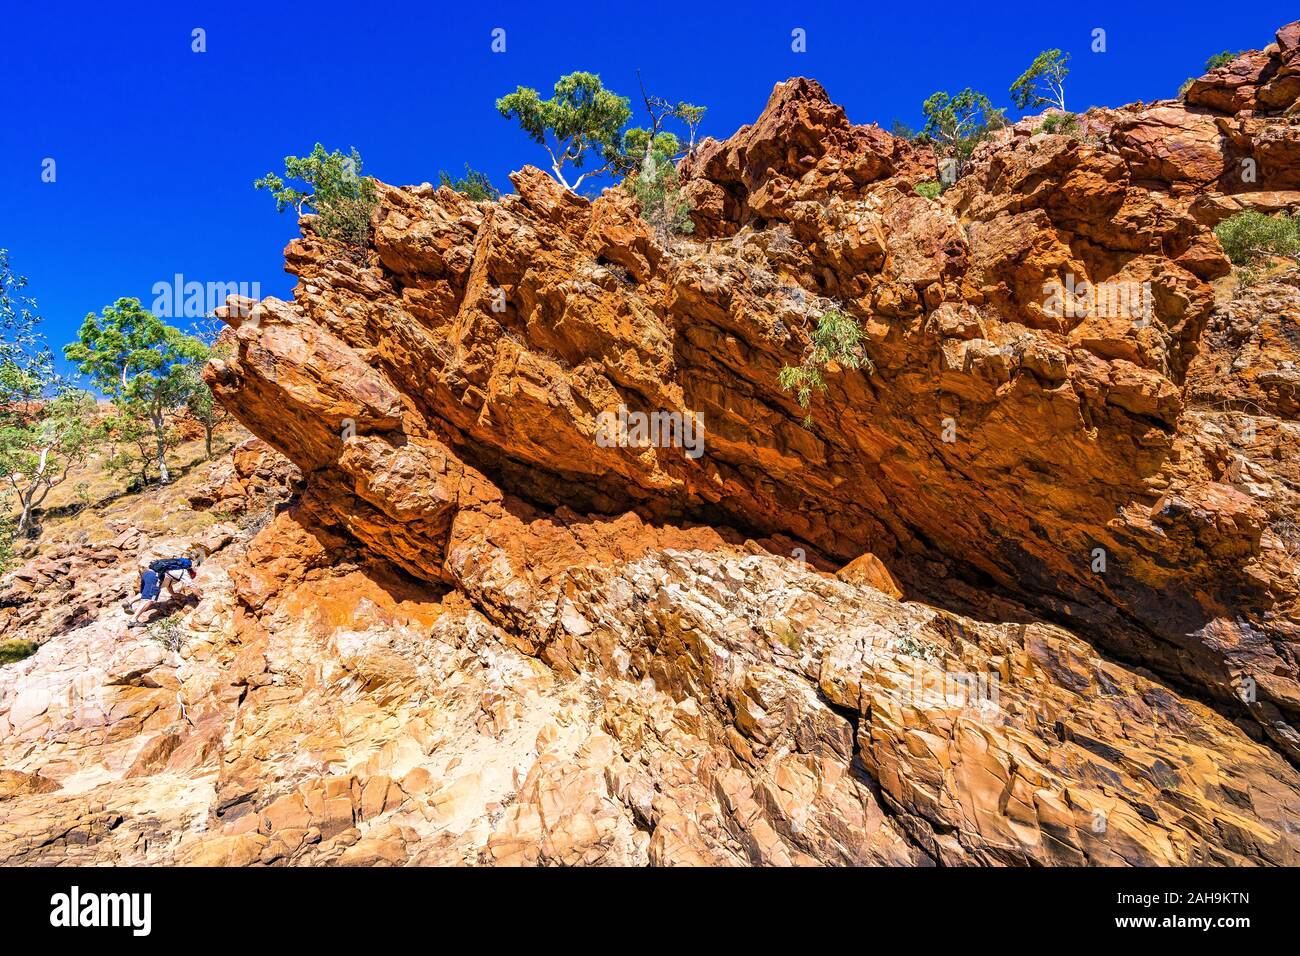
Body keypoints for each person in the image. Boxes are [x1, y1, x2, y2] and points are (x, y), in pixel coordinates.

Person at [126, 556, 199, 628]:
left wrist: (173, 593)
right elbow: (192, 585)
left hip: (147, 573)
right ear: (190, 573)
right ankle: (133, 620)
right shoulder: (184, 572)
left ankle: (128, 602)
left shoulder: (172, 569)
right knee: (150, 600)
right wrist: (200, 596)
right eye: (191, 576)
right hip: (154, 577)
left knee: (143, 593)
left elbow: (168, 584)